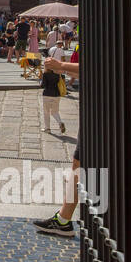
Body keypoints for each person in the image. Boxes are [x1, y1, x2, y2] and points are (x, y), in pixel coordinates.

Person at [35, 54, 80, 238]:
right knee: (78, 168)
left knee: (78, 169)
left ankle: (64, 220)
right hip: (99, 113)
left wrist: (61, 64)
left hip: (102, 115)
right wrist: (61, 68)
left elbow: (97, 67)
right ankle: (63, 219)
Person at [39, 56, 66, 136]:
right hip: (56, 94)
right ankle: (60, 122)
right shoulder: (58, 74)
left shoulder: (46, 74)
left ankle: (47, 128)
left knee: (46, 112)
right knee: (55, 111)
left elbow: (43, 85)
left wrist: (40, 81)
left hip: (47, 94)